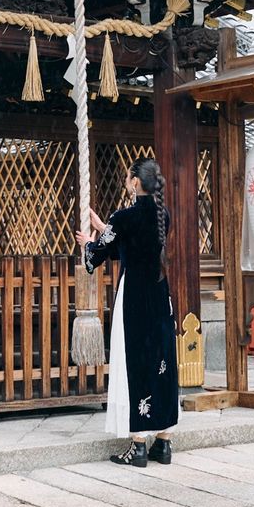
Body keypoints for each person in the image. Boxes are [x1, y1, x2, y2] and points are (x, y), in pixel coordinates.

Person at [77, 157, 179, 468]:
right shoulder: (164, 215)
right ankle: (163, 442)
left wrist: (89, 242)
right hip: (160, 295)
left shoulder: (122, 217)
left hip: (134, 296)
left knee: (133, 360)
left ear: (135, 182)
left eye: (128, 177)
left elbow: (96, 258)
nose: (126, 180)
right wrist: (107, 229)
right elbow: (137, 242)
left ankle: (137, 445)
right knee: (161, 360)